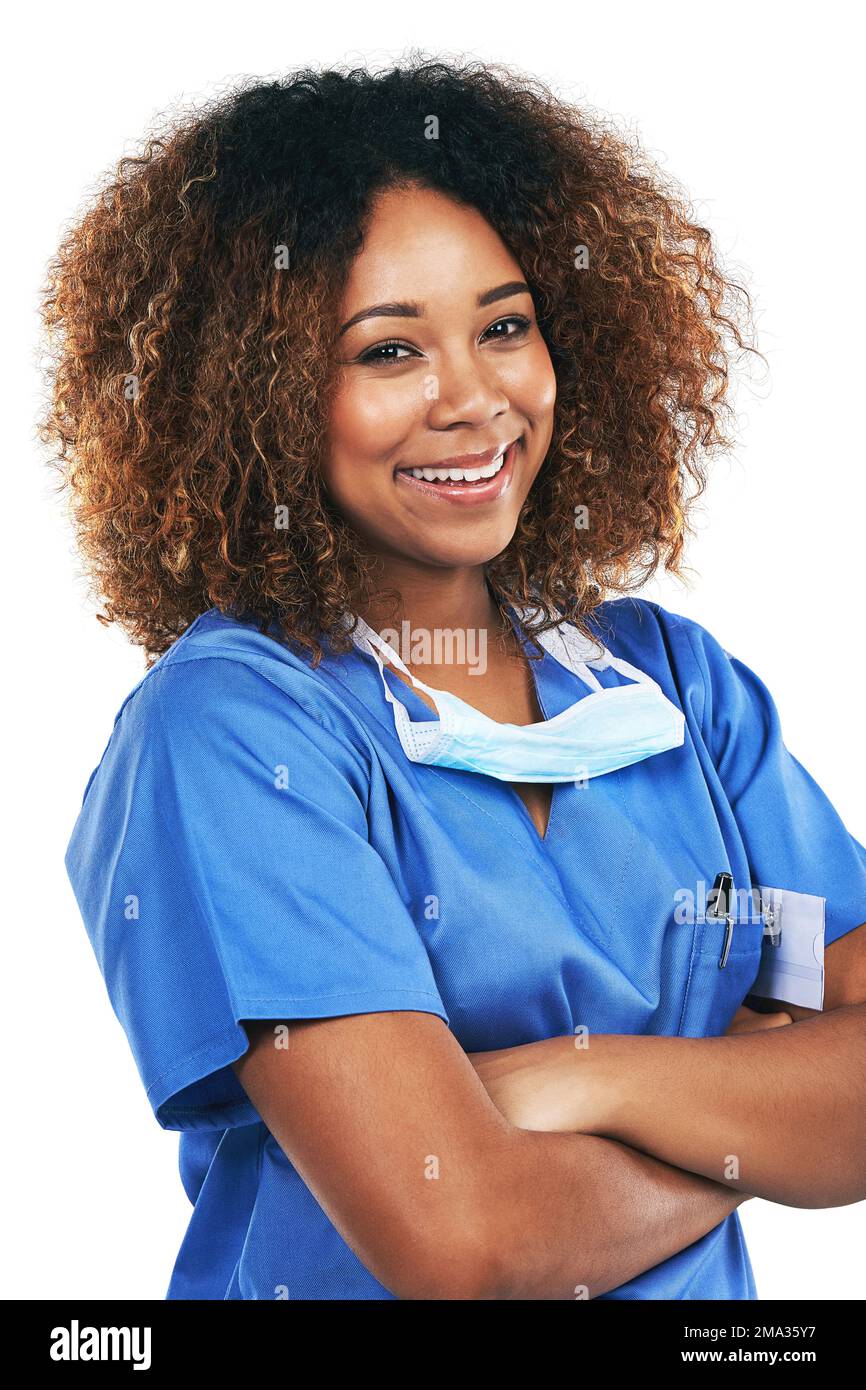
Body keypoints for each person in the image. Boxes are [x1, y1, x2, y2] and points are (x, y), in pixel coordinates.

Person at [43, 58, 866, 1301]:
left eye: (503, 325)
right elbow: (465, 1241)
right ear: (260, 397)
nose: (473, 399)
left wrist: (589, 1076)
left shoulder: (674, 691)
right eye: (387, 352)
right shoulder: (231, 735)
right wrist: (759, 1115)